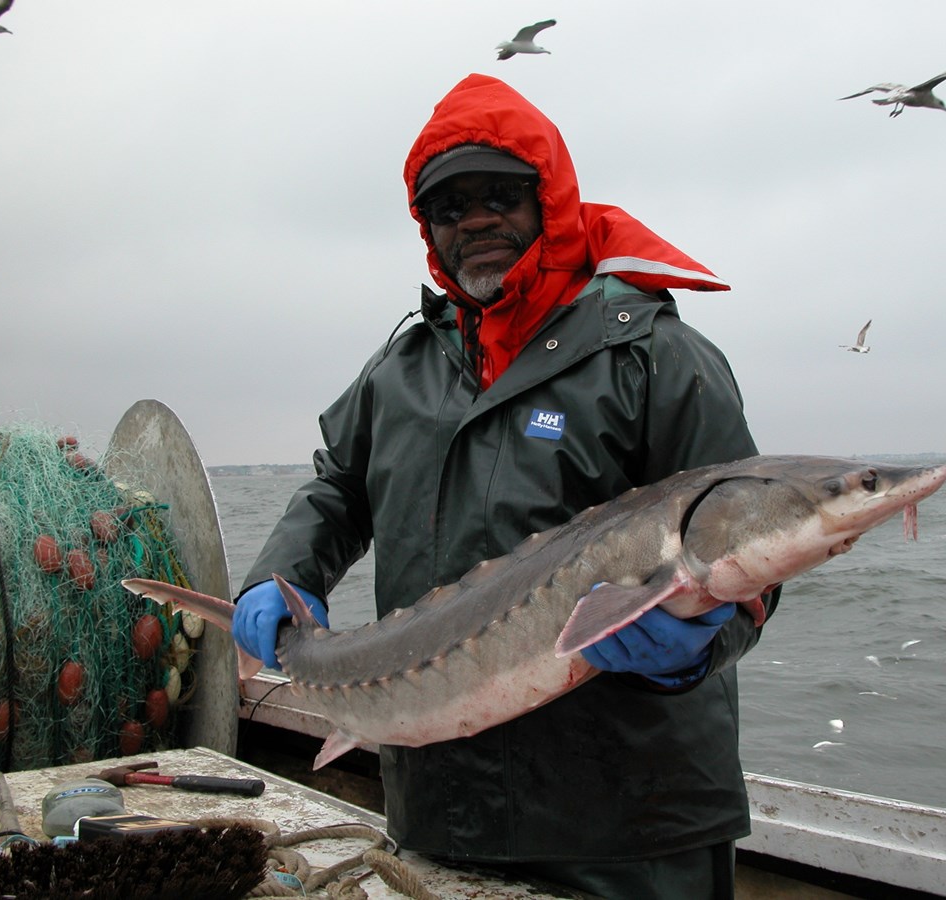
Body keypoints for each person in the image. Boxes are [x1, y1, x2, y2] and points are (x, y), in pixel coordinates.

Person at [234, 73, 779, 900]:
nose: (476, 221)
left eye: (500, 195)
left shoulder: (656, 357)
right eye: (449, 208)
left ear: (549, 199)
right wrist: (283, 575)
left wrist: (701, 645)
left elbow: (753, 552)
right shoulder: (401, 370)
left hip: (632, 830)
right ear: (427, 230)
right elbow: (338, 489)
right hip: (438, 808)